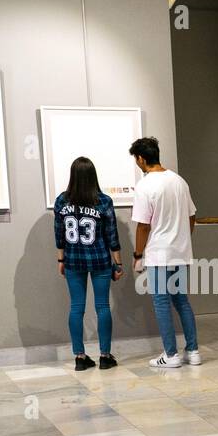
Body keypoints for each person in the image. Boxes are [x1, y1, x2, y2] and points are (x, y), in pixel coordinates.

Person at [128, 137, 201, 369]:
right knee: (181, 301)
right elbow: (192, 216)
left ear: (141, 158)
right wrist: (183, 238)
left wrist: (138, 254)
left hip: (159, 253)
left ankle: (170, 355)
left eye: (136, 160)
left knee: (161, 302)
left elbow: (143, 225)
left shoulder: (145, 186)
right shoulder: (179, 181)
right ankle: (193, 350)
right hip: (181, 251)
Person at [54, 157, 123, 370]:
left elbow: (59, 233)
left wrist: (60, 259)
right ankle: (105, 356)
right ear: (93, 176)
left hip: (73, 260)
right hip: (100, 259)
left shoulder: (61, 201)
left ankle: (80, 358)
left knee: (76, 307)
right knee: (102, 306)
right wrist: (118, 264)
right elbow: (112, 235)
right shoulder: (103, 201)